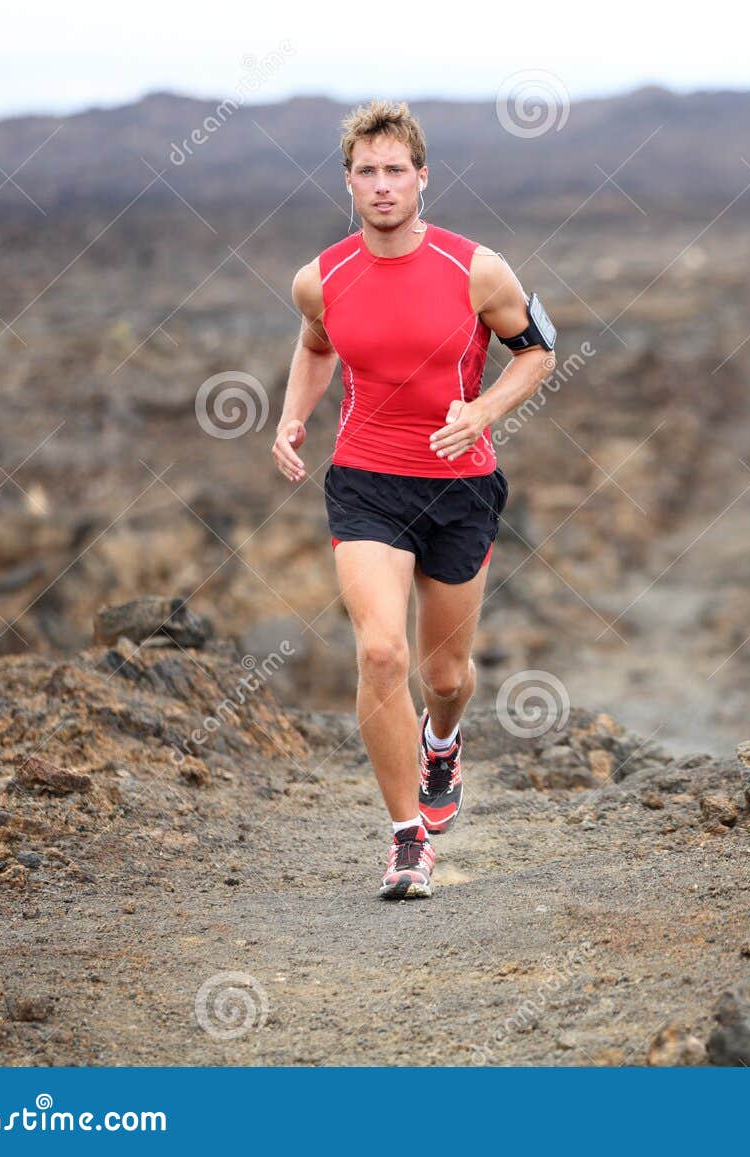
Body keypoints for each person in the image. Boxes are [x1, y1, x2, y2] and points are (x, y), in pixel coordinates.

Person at [271, 100, 557, 899]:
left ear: (423, 178)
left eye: (397, 169)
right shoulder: (319, 278)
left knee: (444, 672)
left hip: (462, 487)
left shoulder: (478, 269)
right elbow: (315, 344)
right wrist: (294, 415)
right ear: (349, 182)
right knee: (380, 652)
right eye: (367, 171)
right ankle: (407, 840)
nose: (383, 184)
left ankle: (443, 739)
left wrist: (484, 413)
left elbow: (539, 352)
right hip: (365, 483)